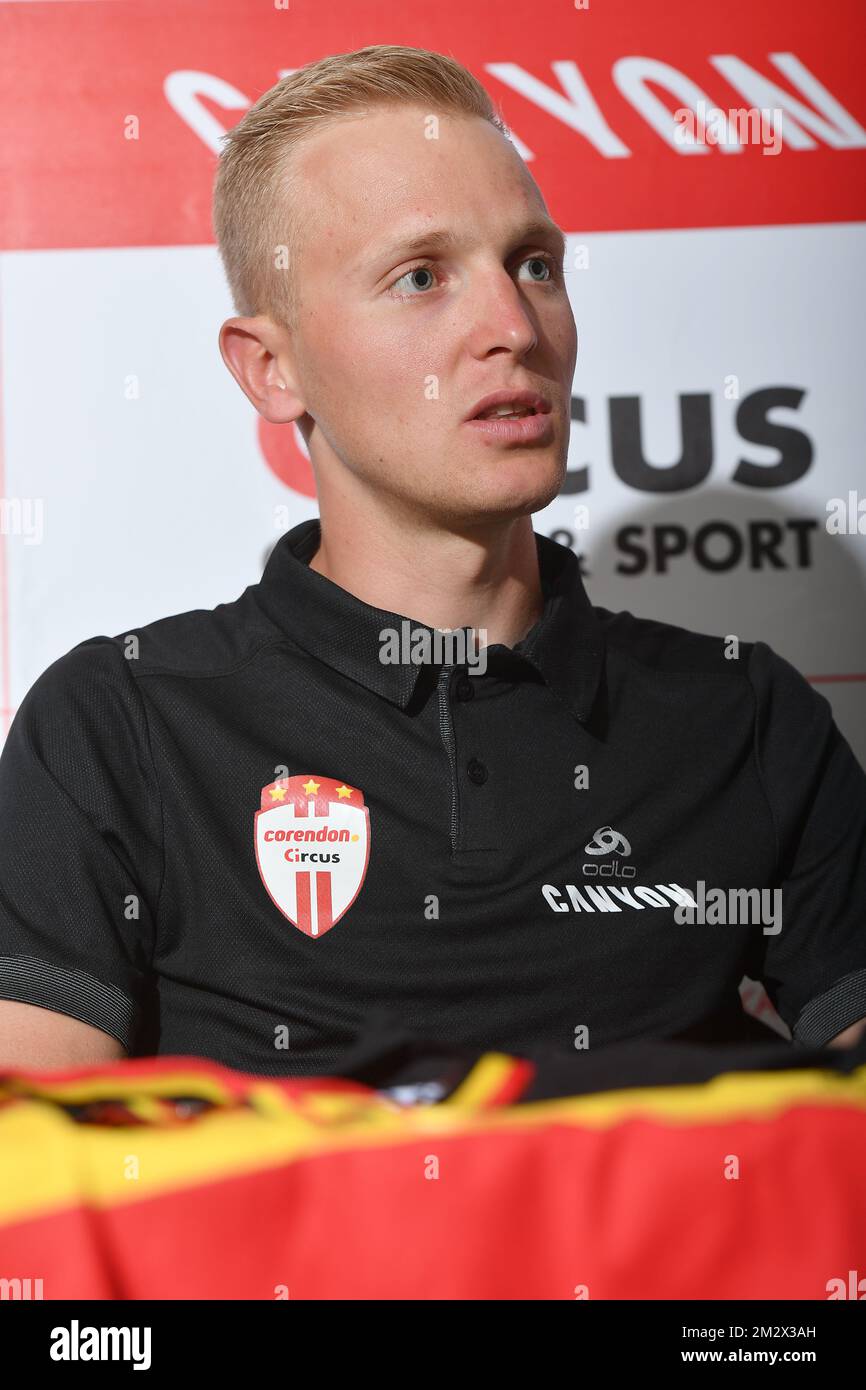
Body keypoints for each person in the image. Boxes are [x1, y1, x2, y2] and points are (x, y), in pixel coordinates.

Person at [1, 45, 864, 1073]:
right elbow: (39, 1189)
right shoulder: (120, 725)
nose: (512, 327)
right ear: (271, 369)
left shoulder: (745, 716)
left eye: (533, 264)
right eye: (420, 277)